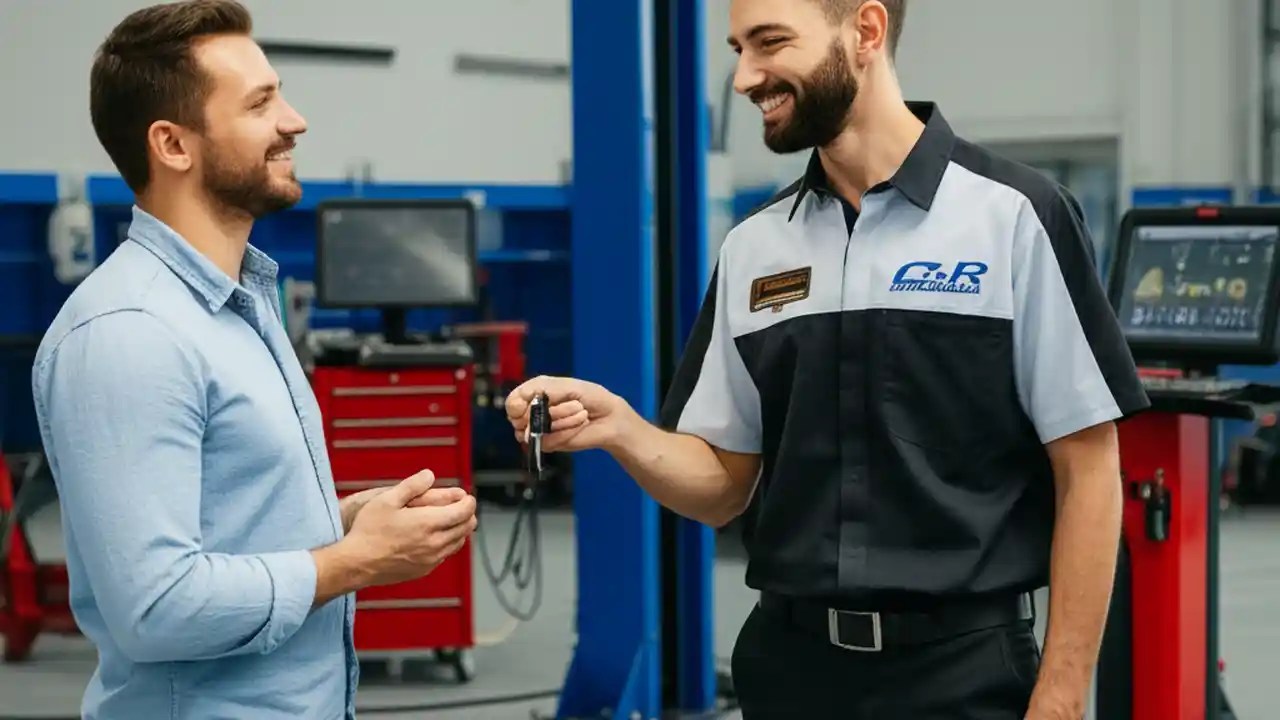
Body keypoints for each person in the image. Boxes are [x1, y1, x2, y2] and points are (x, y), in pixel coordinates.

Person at [507, 0, 1149, 717]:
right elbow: (723, 484)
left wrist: (1060, 695)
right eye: (737, 48)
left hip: (964, 674)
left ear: (866, 32)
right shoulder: (756, 247)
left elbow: (1089, 470)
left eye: (770, 43)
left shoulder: (1015, 217)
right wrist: (621, 427)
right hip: (790, 672)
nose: (746, 76)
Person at [30, 2, 477, 718]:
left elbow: (221, 519)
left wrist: (340, 523)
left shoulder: (242, 302)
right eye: (261, 103)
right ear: (174, 145)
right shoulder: (130, 332)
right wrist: (356, 561)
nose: (293, 121)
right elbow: (158, 607)